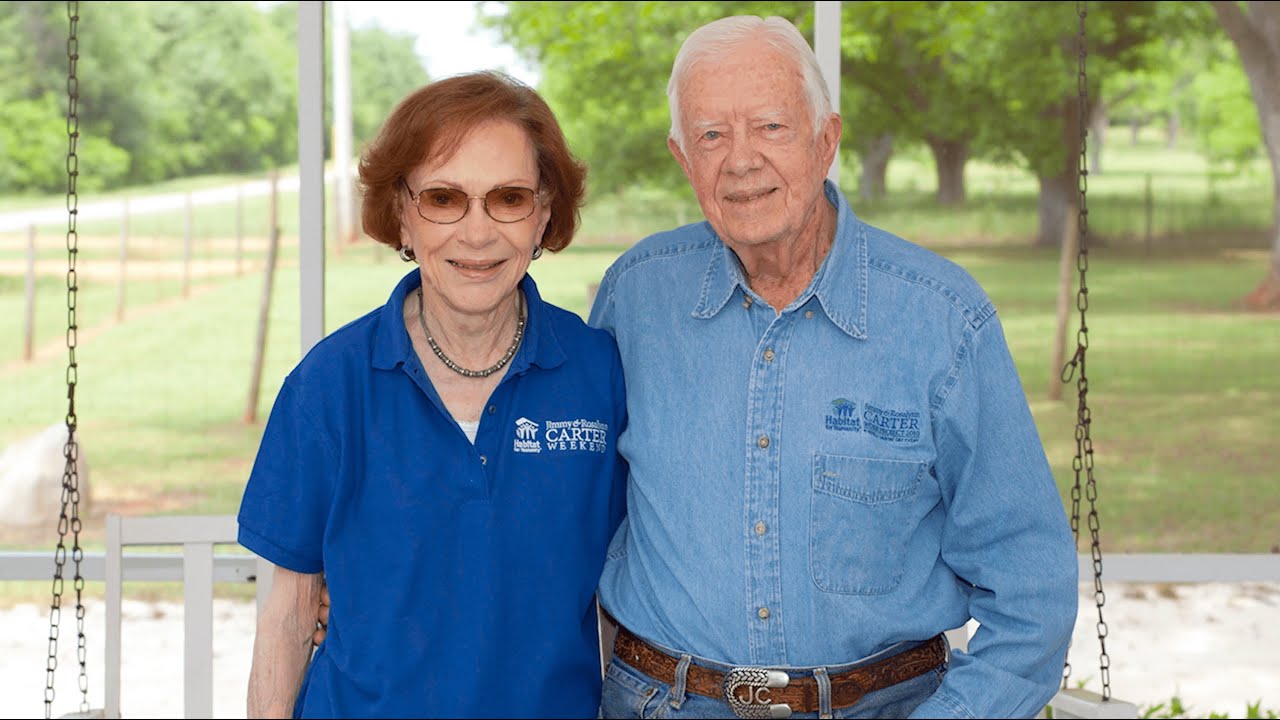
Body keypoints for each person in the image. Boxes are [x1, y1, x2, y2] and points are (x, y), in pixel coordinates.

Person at [588, 15, 1079, 720]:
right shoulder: (634, 298)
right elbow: (567, 517)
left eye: (771, 127)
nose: (741, 159)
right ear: (681, 157)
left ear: (827, 141)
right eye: (711, 135)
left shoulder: (942, 319)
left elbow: (1031, 590)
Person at [237, 70, 628, 719]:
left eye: (508, 198)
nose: (477, 233)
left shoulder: (601, 376)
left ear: (545, 214)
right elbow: (288, 614)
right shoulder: (328, 386)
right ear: (402, 214)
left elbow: (626, 594)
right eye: (444, 199)